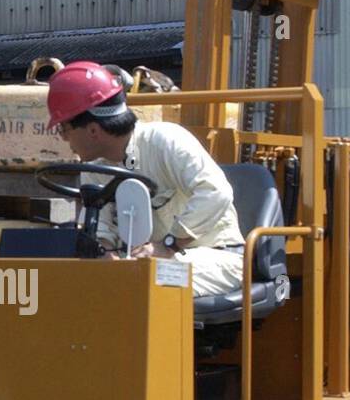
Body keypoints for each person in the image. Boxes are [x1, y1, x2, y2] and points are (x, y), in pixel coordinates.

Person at [45, 60, 244, 297]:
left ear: (93, 131)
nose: (65, 140)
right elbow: (103, 223)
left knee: (146, 280)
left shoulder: (166, 141)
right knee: (87, 280)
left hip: (217, 256)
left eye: (64, 130)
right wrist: (104, 252)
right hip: (147, 262)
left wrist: (168, 245)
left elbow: (215, 192)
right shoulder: (95, 167)